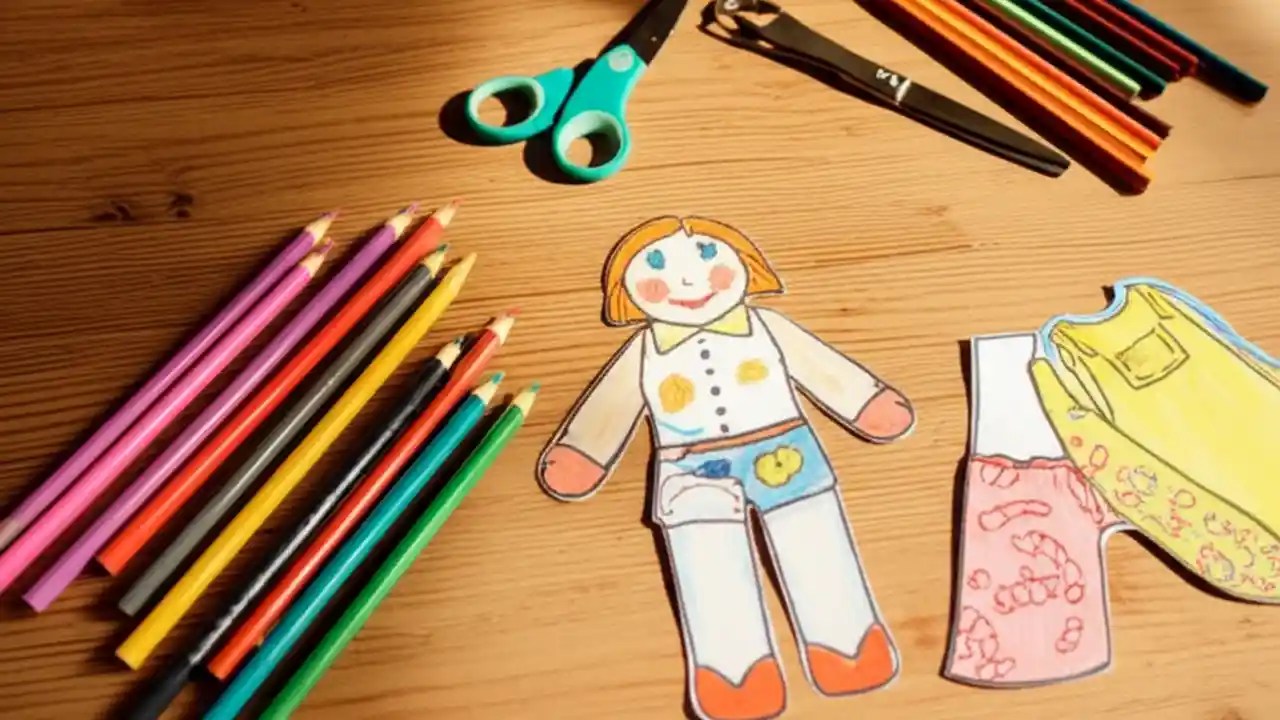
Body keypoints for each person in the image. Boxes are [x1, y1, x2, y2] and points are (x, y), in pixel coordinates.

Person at [537, 215, 915, 720]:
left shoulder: (768, 327)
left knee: (815, 543)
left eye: (708, 259)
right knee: (708, 566)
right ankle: (735, 675)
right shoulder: (644, 352)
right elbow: (612, 404)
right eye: (657, 265)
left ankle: (847, 646)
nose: (689, 281)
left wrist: (865, 402)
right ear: (624, 289)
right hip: (690, 472)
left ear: (745, 266)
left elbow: (821, 366)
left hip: (787, 450)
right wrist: (586, 452)